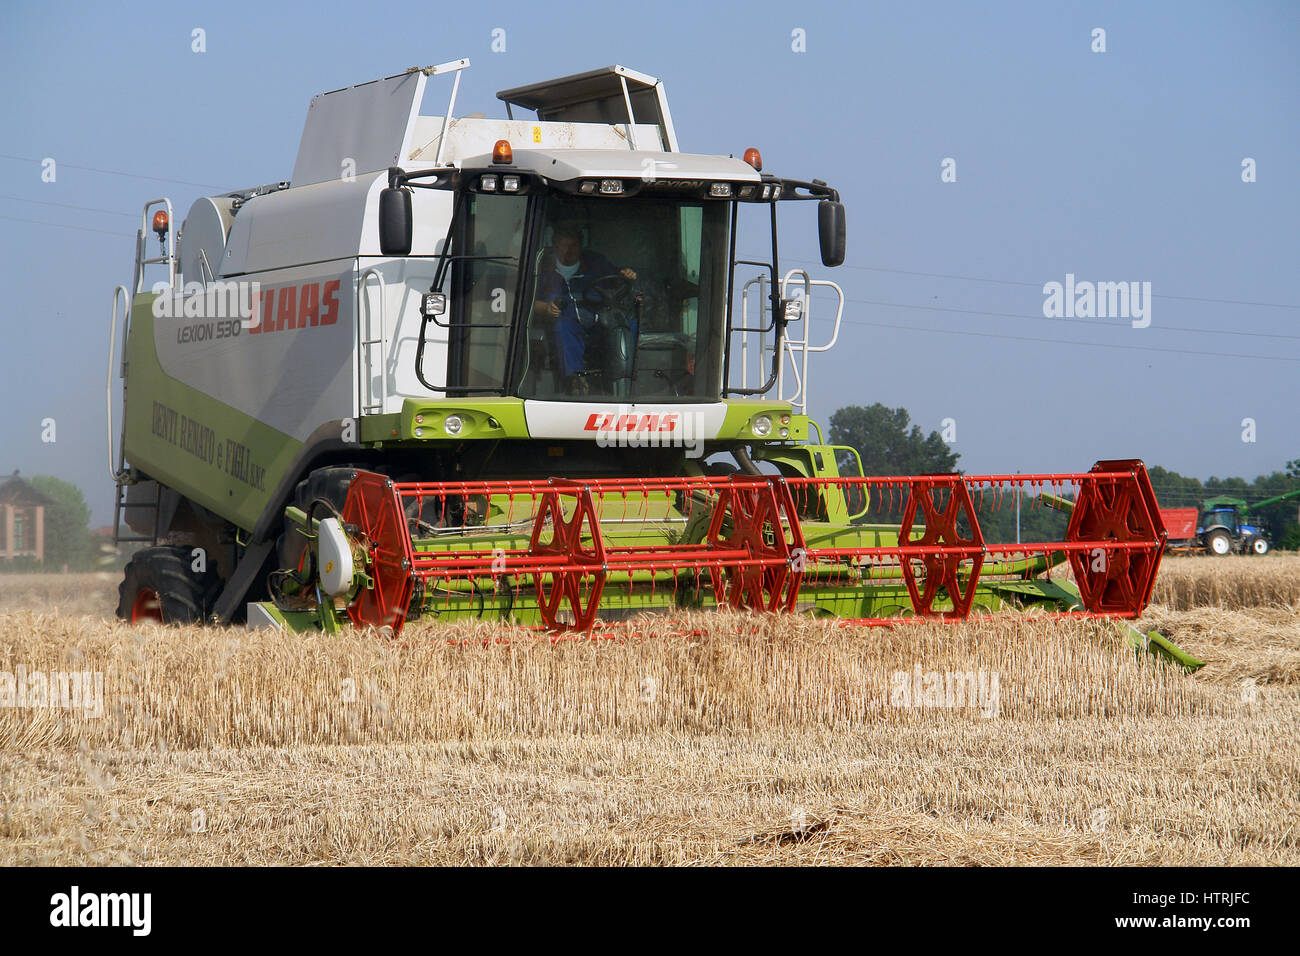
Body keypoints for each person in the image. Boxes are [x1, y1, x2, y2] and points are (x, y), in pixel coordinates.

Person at [532, 222, 640, 393]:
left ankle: (626, 378)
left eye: (573, 245)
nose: (569, 250)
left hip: (598, 322)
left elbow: (619, 278)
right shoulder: (542, 269)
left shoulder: (596, 262)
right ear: (555, 245)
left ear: (580, 246)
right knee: (562, 327)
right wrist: (546, 308)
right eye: (564, 245)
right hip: (568, 328)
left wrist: (626, 275)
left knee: (627, 326)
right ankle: (575, 379)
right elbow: (529, 303)